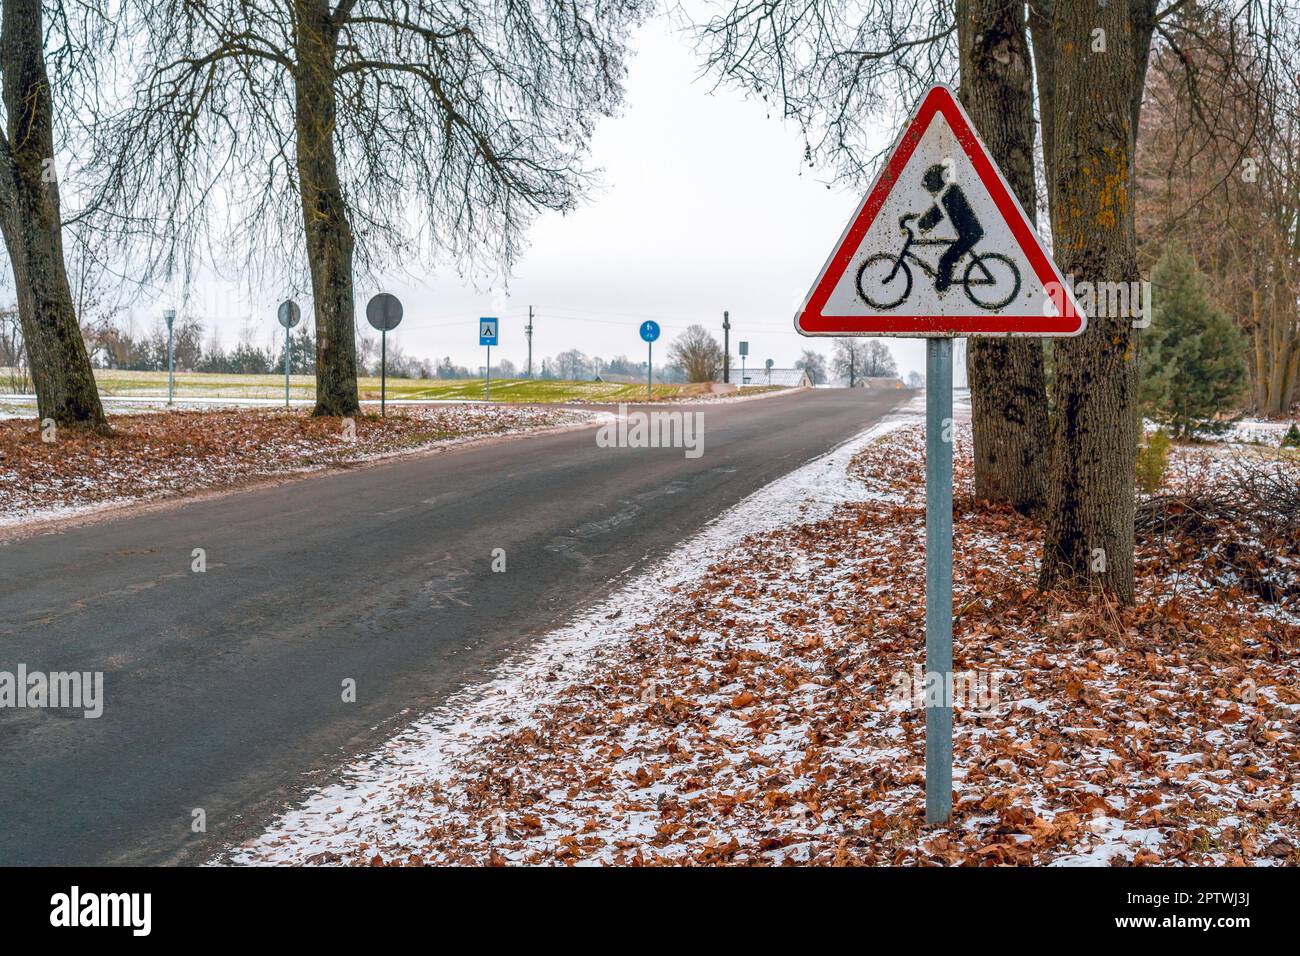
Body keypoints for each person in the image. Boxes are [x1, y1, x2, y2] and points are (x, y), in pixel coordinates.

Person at [915, 163, 984, 293]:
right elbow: (938, 213)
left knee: (945, 261)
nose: (930, 190)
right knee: (948, 258)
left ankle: (942, 289)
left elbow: (937, 214)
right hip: (968, 233)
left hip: (970, 234)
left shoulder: (950, 193)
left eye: (930, 184)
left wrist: (922, 224)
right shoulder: (950, 191)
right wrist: (923, 223)